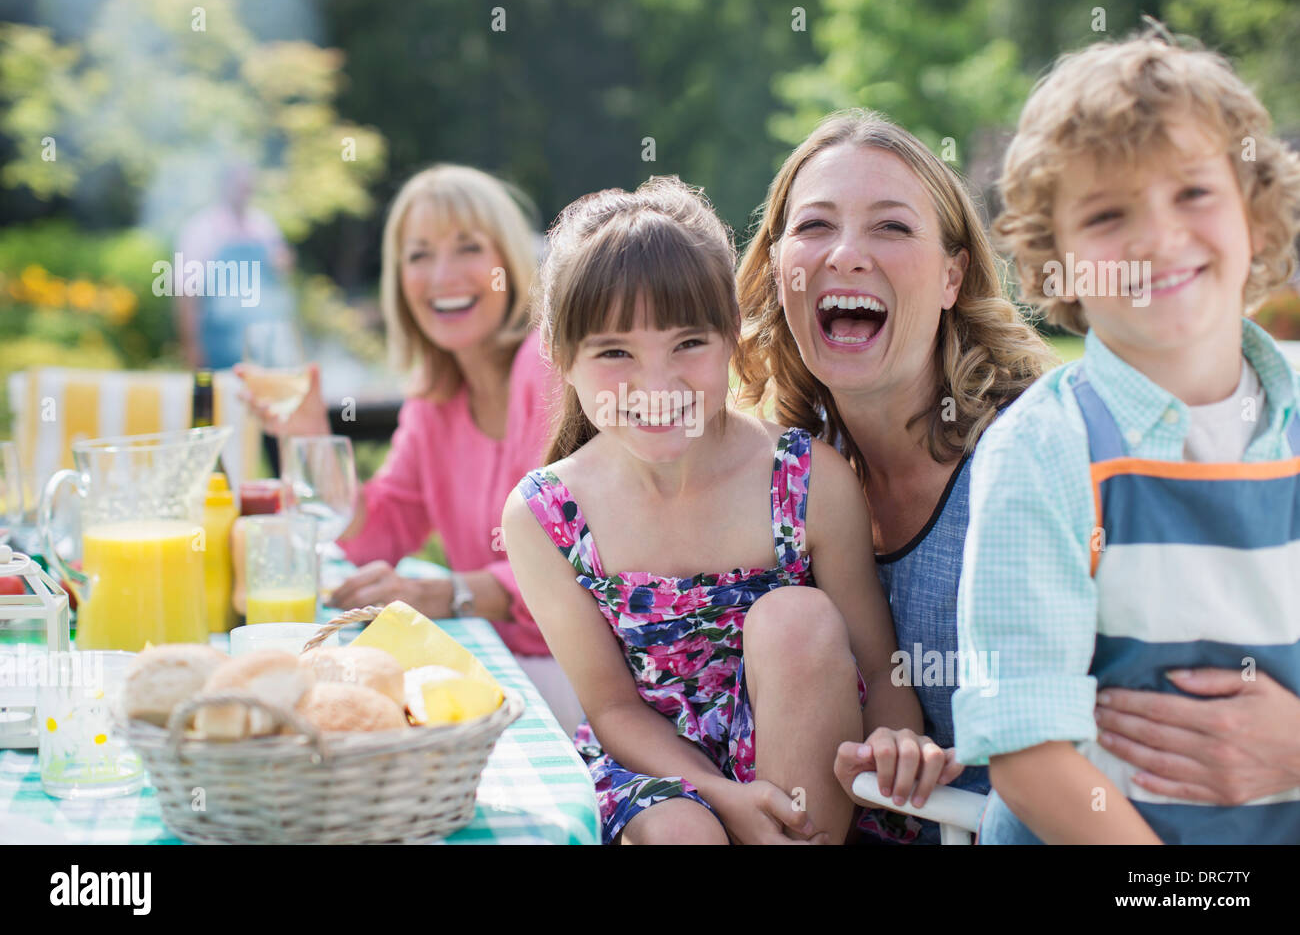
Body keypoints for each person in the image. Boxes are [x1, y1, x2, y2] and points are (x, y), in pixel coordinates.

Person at [502, 175, 951, 846]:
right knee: (685, 831)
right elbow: (614, 708)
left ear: (731, 340)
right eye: (616, 352)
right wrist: (721, 797)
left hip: (808, 770)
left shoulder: (803, 479)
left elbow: (879, 664)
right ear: (562, 358)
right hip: (657, 771)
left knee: (795, 617)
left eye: (688, 344)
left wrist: (899, 738)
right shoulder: (548, 514)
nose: (657, 384)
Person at [952, 29, 1300, 843]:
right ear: (1058, 260)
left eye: (1193, 194)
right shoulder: (1046, 451)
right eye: (1108, 214)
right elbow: (1030, 753)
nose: (1156, 237)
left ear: (1254, 211)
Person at [736, 109, 1054, 843]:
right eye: (814, 226)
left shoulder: (1036, 453)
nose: (846, 255)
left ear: (952, 277)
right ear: (777, 263)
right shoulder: (786, 478)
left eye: (891, 227)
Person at [240, 164, 582, 734]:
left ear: (512, 267)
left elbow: (571, 560)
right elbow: (380, 531)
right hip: (501, 662)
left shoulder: (545, 366)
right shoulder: (434, 399)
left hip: (577, 676)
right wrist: (308, 438)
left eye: (468, 248)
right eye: (418, 255)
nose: (442, 275)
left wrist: (448, 590)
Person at [176, 160, 296, 369]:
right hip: (219, 346)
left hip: (264, 346)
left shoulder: (262, 224)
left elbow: (282, 272)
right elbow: (186, 294)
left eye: (248, 186)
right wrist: (191, 347)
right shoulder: (201, 229)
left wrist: (284, 263)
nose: (245, 191)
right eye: (239, 185)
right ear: (223, 185)